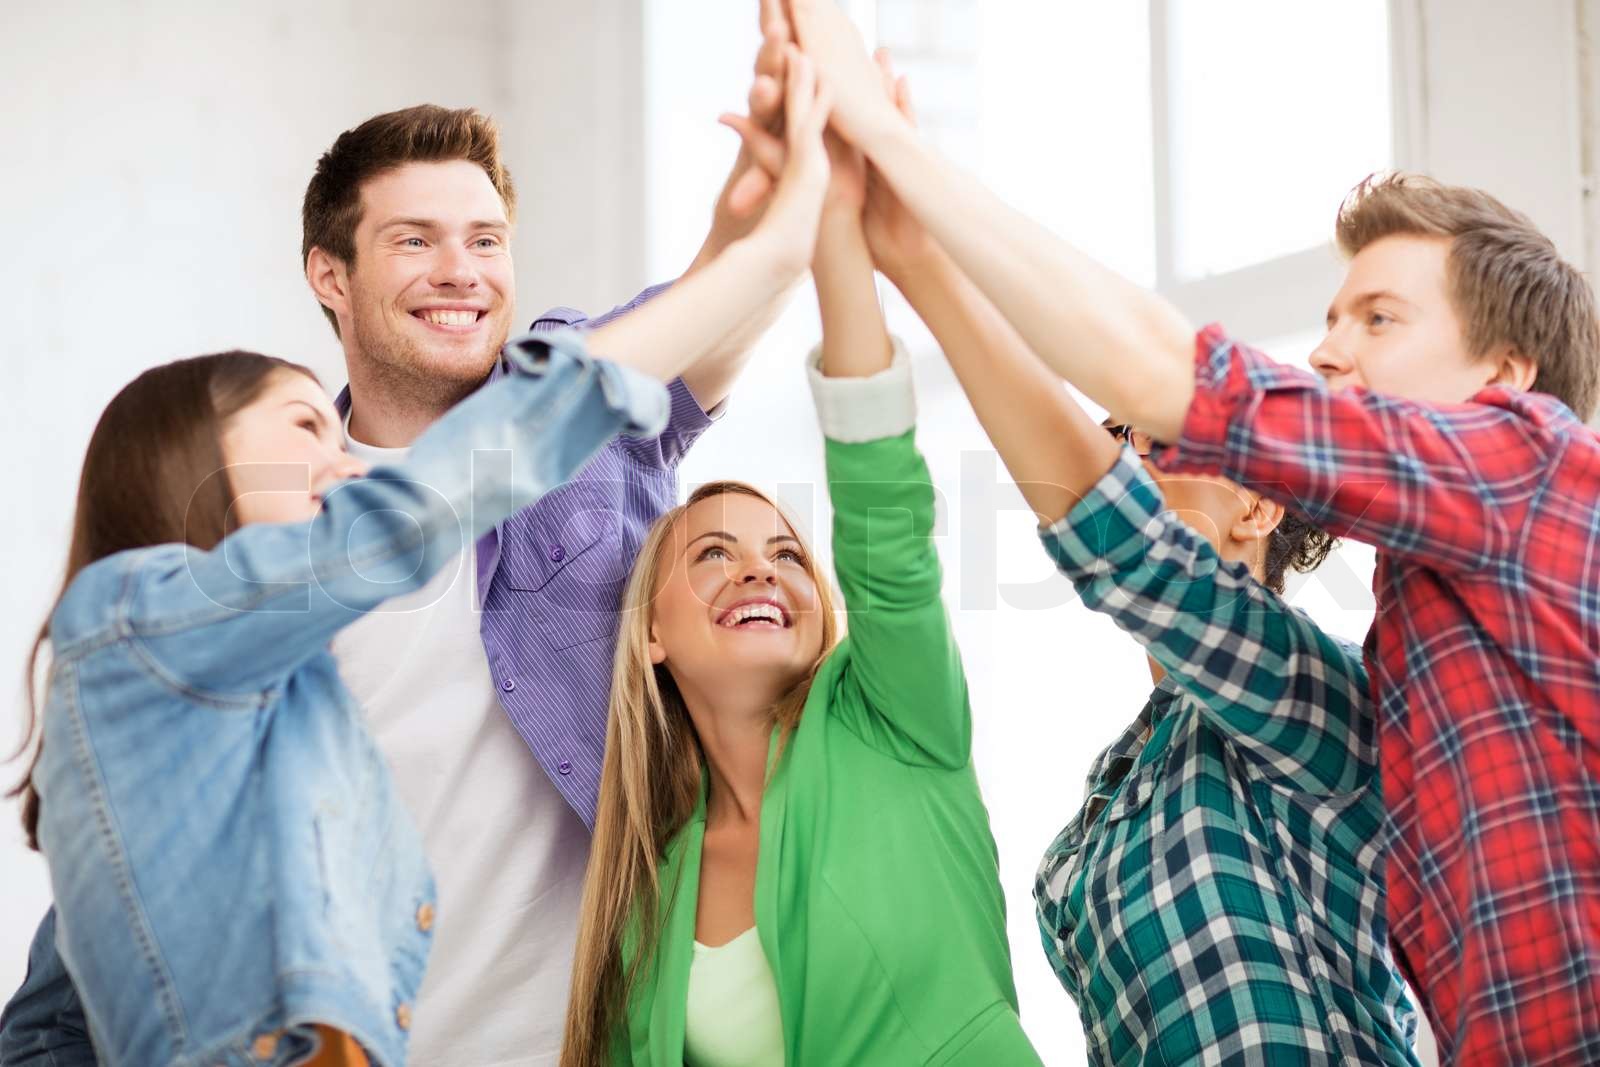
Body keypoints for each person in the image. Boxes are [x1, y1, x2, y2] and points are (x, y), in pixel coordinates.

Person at [785, 2, 1600, 1060]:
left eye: (1378, 318)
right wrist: (912, 259)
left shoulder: (1533, 465)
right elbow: (1121, 531)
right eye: (1332, 318)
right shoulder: (1406, 674)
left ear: (1503, 374)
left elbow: (1160, 426)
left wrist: (896, 154)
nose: (1327, 351)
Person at [0, 46, 835, 1067]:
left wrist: (758, 223)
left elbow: (683, 340)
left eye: (486, 238)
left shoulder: (572, 422)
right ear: (330, 274)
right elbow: (109, 935)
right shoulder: (256, 589)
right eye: (415, 239)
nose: (461, 270)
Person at [558, 63, 1042, 1067]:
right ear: (650, 631)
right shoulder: (648, 891)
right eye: (714, 554)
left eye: (785, 552)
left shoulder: (899, 724)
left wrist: (829, 226)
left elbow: (883, 516)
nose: (759, 571)